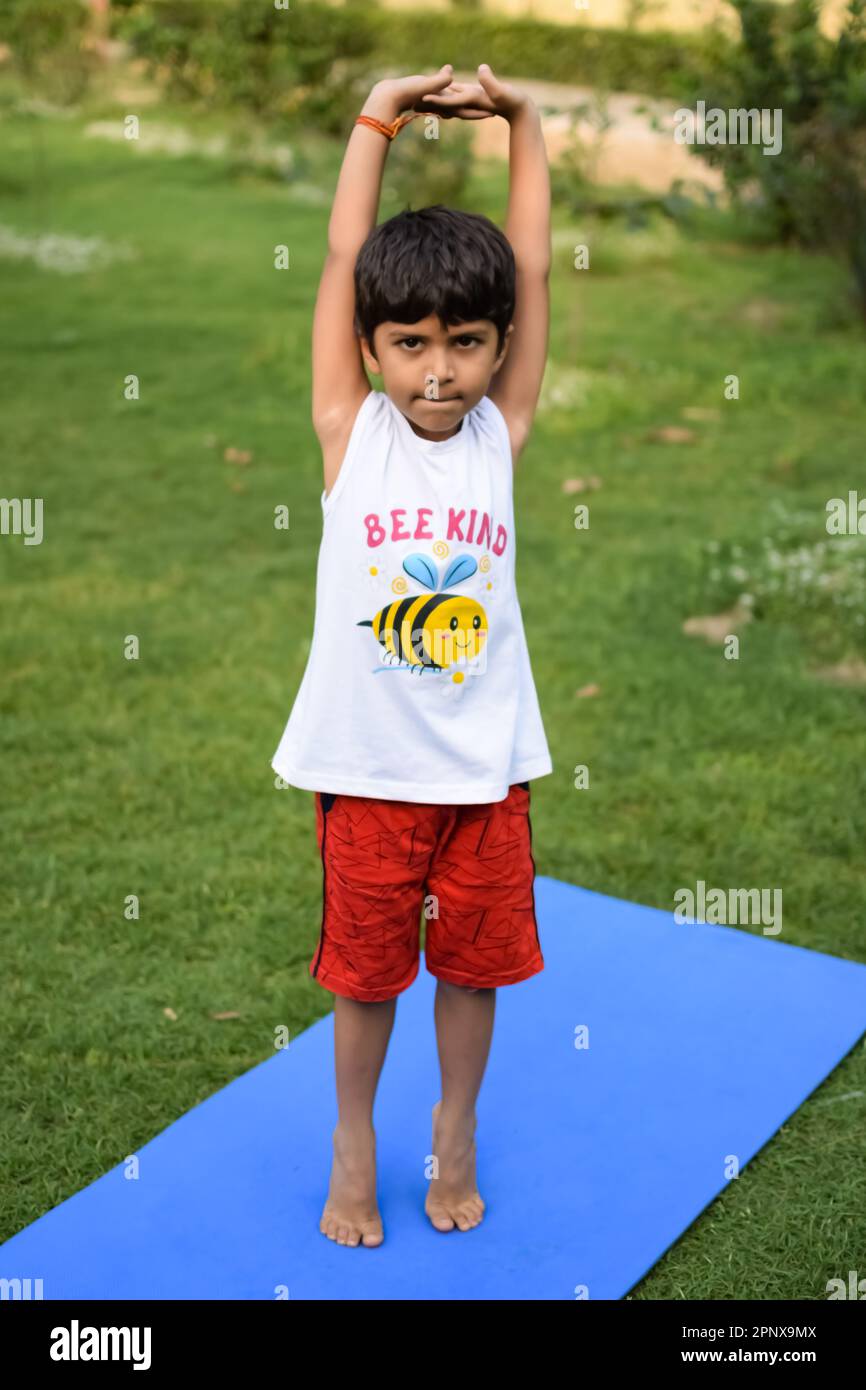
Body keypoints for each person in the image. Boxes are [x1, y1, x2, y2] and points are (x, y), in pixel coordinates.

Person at [271, 63, 554, 1247]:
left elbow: (531, 268)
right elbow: (342, 262)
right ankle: (354, 1136)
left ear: (497, 349)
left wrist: (526, 123)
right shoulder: (352, 431)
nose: (437, 370)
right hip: (371, 772)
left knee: (475, 967)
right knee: (364, 976)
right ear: (369, 347)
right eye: (410, 343)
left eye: (466, 343)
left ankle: (456, 1125)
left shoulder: (499, 430)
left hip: (483, 772)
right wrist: (378, 115)